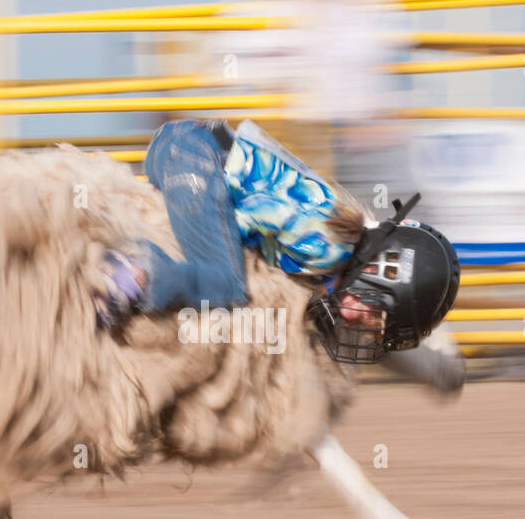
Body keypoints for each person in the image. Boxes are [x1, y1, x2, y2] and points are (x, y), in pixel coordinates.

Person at [96, 118, 461, 369]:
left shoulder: (334, 250)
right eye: (370, 316)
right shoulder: (328, 246)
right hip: (194, 159)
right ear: (380, 274)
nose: (356, 324)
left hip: (186, 149)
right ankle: (137, 273)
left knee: (223, 273)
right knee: (228, 286)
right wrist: (221, 233)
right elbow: (261, 211)